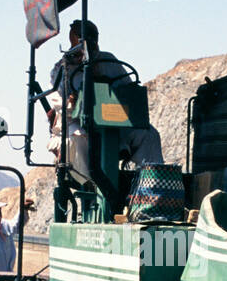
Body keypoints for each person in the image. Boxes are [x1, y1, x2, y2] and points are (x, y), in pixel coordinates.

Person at [45, 19, 163, 179]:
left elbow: (127, 90)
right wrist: (73, 101)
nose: (89, 41)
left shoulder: (109, 61)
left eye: (92, 36)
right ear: (73, 39)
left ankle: (152, 186)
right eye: (82, 37)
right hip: (77, 123)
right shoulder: (62, 68)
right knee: (77, 140)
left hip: (113, 121)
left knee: (148, 134)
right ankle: (91, 185)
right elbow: (61, 106)